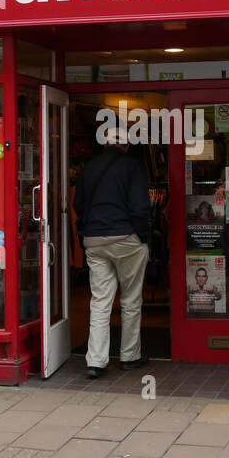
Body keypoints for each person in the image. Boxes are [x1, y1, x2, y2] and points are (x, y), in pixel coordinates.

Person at [74, 134, 152, 377]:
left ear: (103, 143)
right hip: (126, 239)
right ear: (126, 144)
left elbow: (78, 204)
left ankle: (96, 361)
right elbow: (140, 206)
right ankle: (130, 356)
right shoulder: (132, 166)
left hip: (94, 240)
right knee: (131, 299)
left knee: (100, 301)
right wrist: (144, 236)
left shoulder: (89, 168)